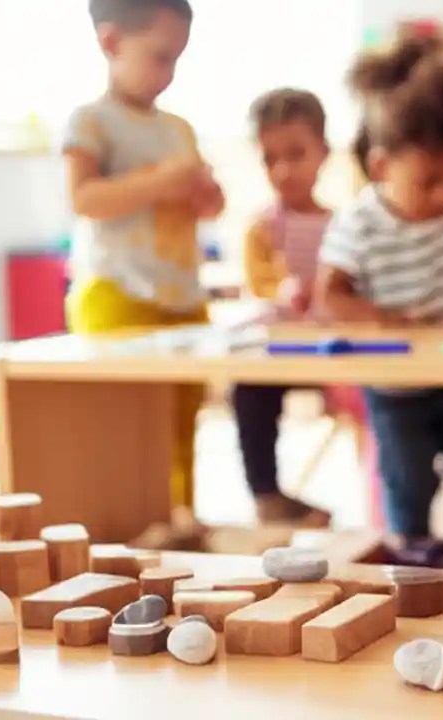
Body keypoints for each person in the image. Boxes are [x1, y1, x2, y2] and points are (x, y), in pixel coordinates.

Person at [314, 35, 443, 569]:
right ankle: (411, 549)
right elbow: (329, 295)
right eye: (430, 183)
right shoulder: (360, 224)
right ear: (382, 166)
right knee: (406, 477)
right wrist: (381, 318)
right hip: (395, 385)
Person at [61, 0, 224, 524]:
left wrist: (205, 194)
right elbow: (83, 198)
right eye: (159, 56)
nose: (169, 73)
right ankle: (125, 524)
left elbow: (210, 204)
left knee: (182, 421)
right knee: (123, 423)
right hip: (117, 294)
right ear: (111, 43)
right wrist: (159, 182)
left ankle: (181, 519)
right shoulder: (91, 121)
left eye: (177, 58)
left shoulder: (179, 129)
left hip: (182, 296)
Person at [233, 88, 340, 527]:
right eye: (269, 158)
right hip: (282, 345)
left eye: (296, 154)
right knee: (249, 388)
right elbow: (258, 282)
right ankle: (267, 494)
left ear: (323, 154)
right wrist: (283, 289)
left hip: (336, 346)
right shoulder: (262, 227)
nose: (283, 170)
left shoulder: (340, 224)